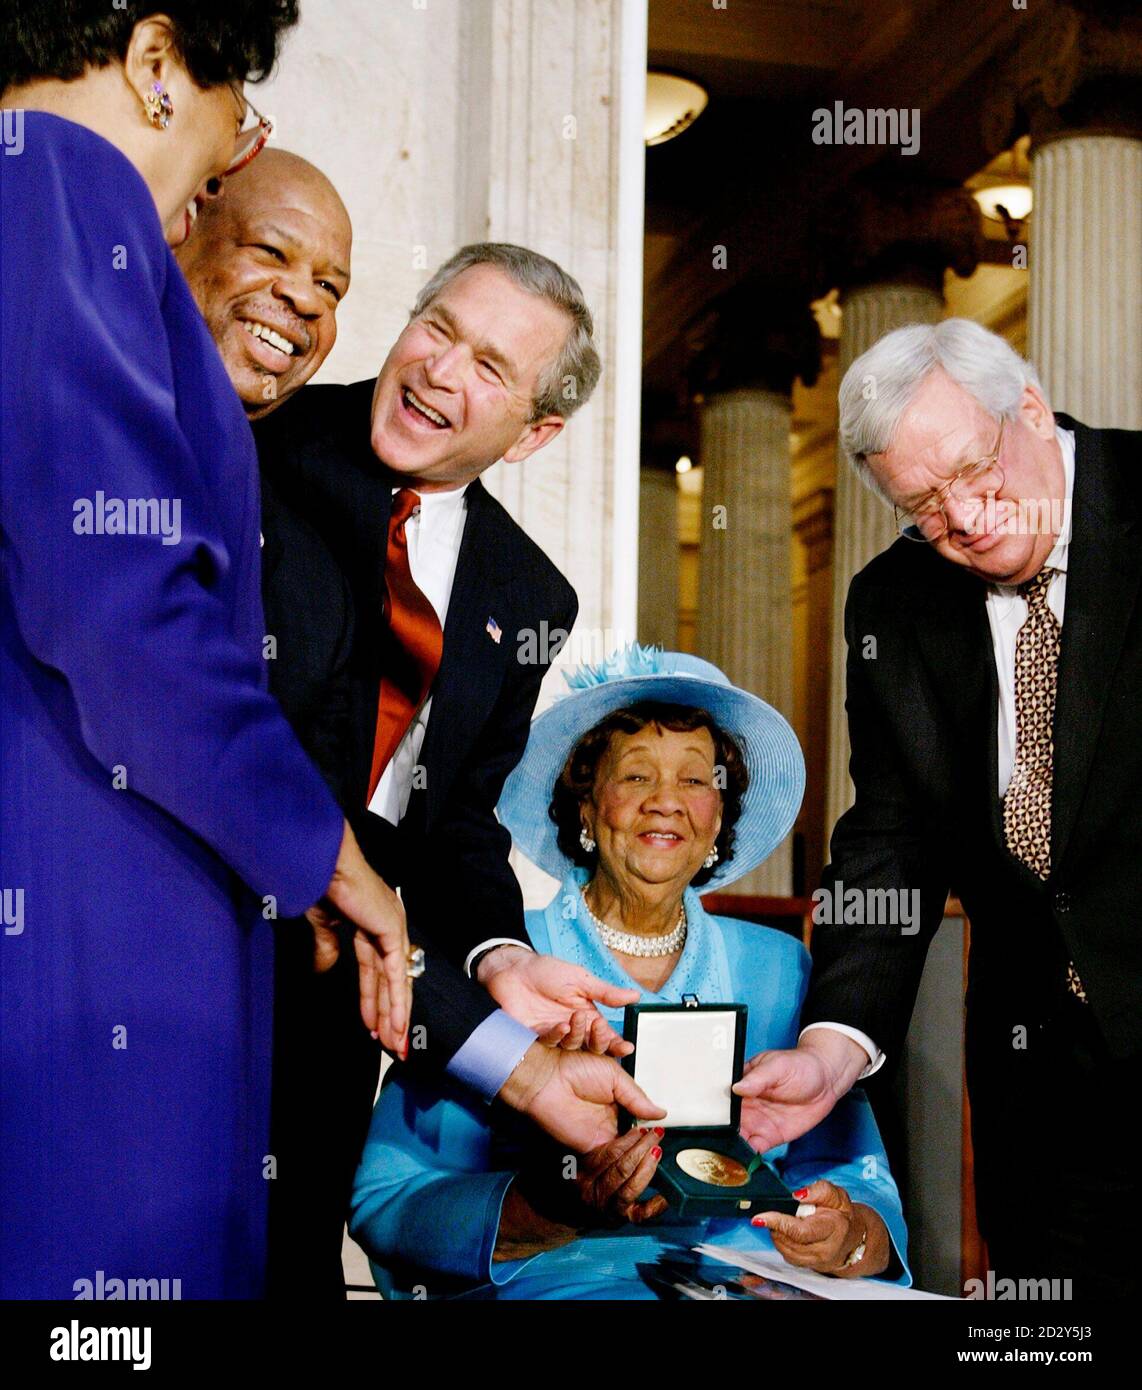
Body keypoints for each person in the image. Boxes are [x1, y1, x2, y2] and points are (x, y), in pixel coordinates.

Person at [0, 2, 415, 1300]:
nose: (233, 145)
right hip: (94, 917)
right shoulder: (59, 196)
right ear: (155, 63)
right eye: (244, 109)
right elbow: (123, 608)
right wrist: (326, 850)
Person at [177, 197, 661, 1293]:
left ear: (536, 431)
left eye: (490, 366)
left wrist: (498, 956)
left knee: (288, 1263)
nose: (439, 371)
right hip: (201, 950)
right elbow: (269, 758)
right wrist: (519, 1069)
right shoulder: (255, 448)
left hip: (356, 1007)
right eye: (435, 327)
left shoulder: (528, 589)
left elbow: (454, 823)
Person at [735, 319, 1141, 1300]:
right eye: (922, 504)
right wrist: (832, 1049)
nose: (967, 518)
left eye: (974, 469)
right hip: (1042, 1094)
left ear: (1030, 411)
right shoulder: (893, 603)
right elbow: (891, 835)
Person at [349, 647, 912, 1299]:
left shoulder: (781, 966)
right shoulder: (498, 961)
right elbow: (390, 1199)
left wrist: (848, 1238)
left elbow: (859, 1183)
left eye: (696, 780)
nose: (666, 803)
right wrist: (554, 1206)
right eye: (637, 776)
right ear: (584, 808)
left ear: (720, 816)